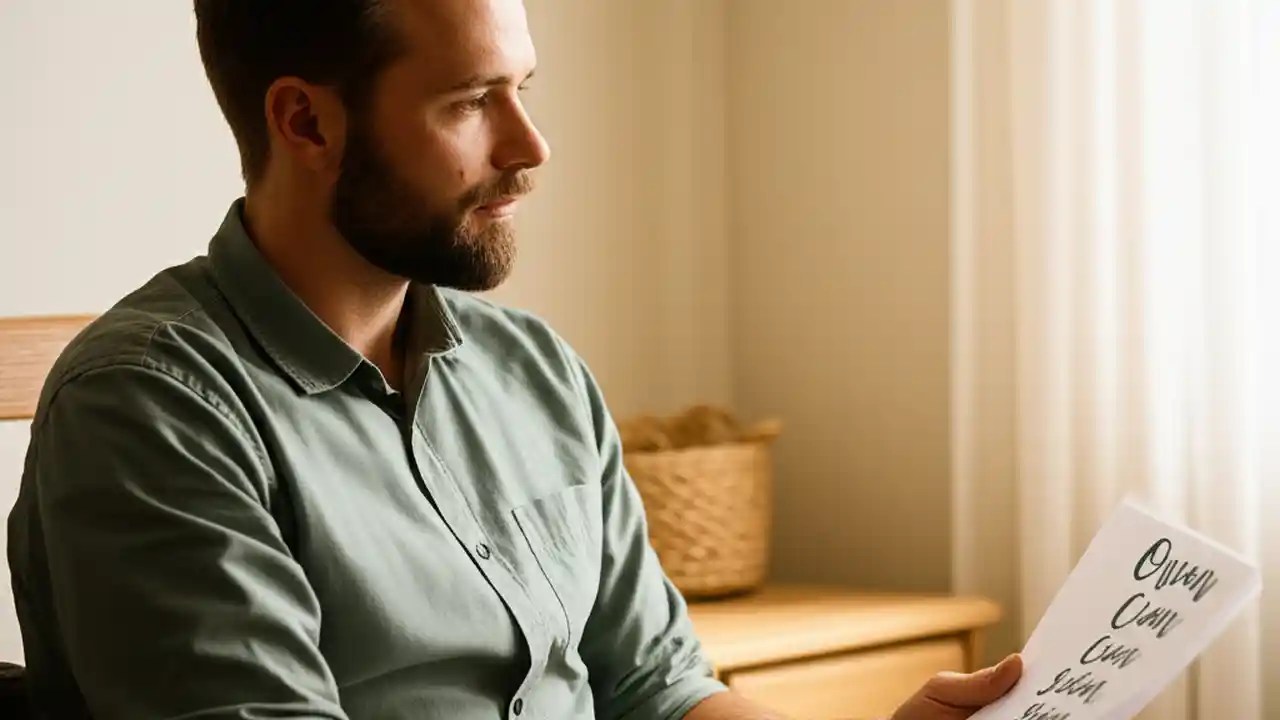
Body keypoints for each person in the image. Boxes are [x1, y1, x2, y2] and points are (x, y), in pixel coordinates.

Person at [7, 1, 1023, 718]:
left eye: (522, 89)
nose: (530, 146)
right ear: (305, 121)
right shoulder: (149, 408)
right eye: (468, 102)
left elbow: (656, 690)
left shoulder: (533, 372)